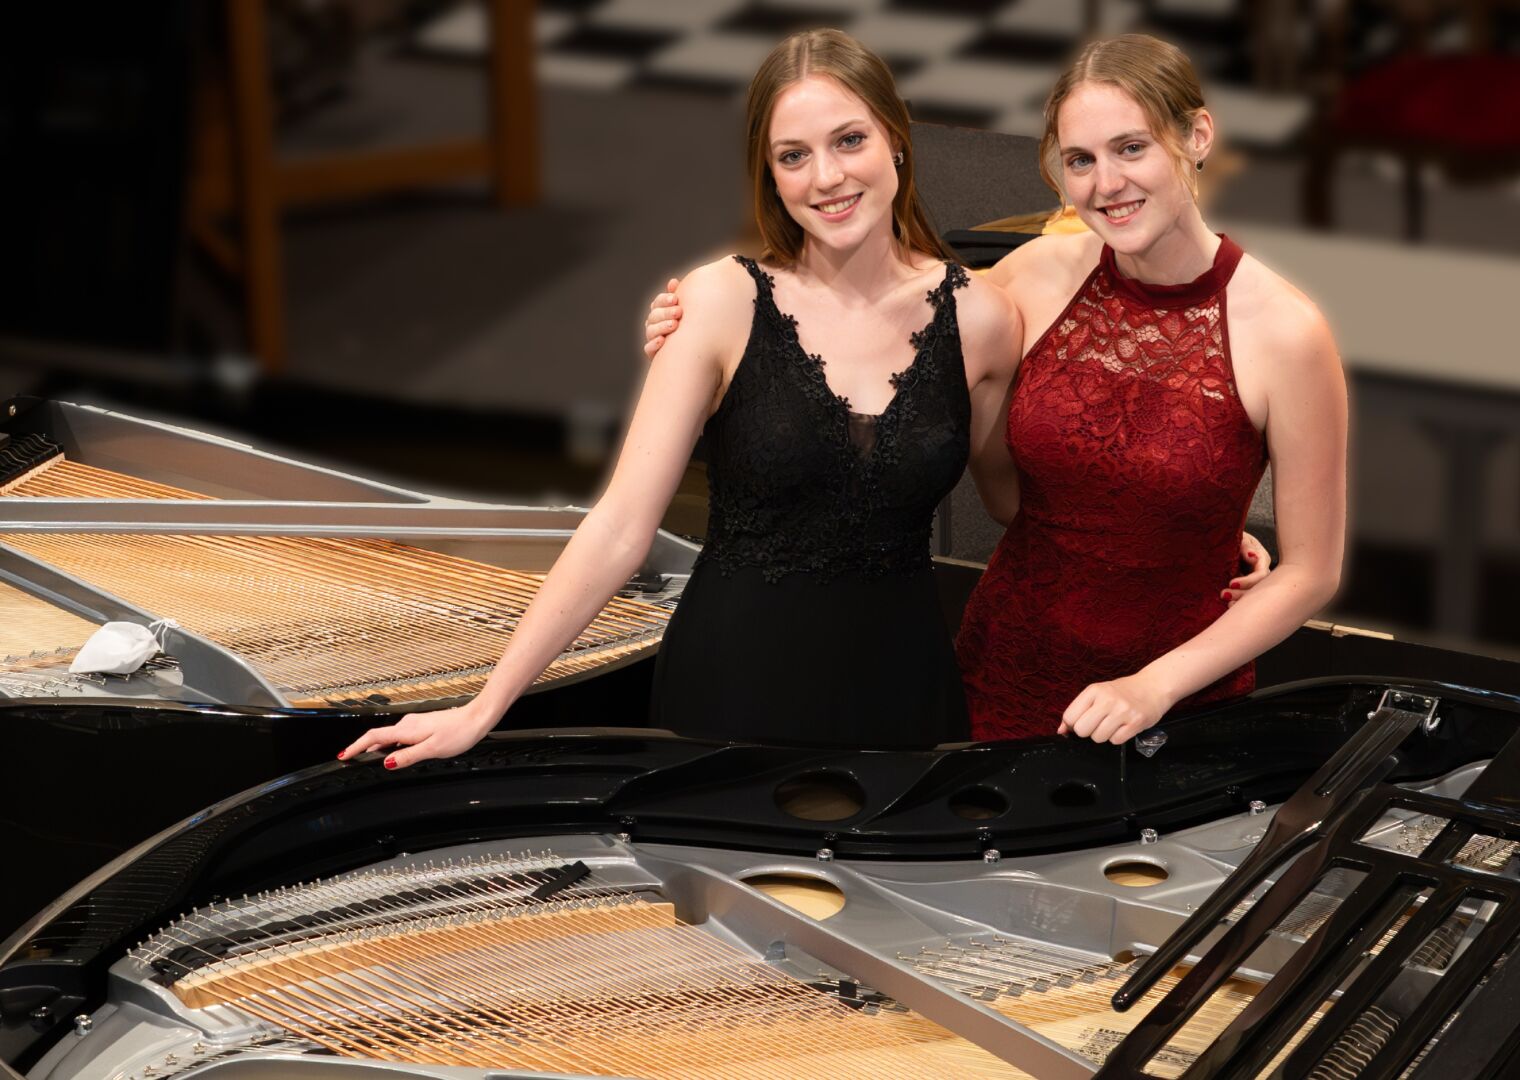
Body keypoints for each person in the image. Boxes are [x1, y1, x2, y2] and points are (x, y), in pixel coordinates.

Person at [339, 29, 1021, 766]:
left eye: (849, 140)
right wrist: (484, 705)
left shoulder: (983, 319)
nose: (826, 177)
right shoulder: (721, 300)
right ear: (770, 174)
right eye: (793, 155)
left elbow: (1014, 505)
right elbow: (620, 526)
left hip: (904, 698)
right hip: (732, 692)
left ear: (896, 140)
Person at [646, 34, 1342, 747]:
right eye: (1080, 160)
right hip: (1004, 670)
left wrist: (1159, 670)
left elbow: (1313, 573)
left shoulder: (1287, 332)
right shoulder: (1032, 276)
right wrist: (691, 327)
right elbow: (886, 330)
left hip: (1174, 698)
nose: (1106, 183)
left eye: (1131, 148)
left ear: (1197, 136)